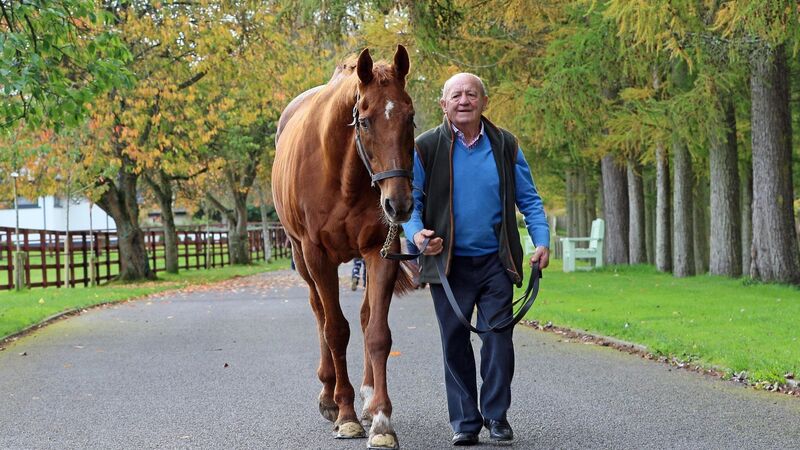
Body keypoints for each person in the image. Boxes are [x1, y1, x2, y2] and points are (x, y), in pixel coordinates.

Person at [402, 73, 550, 446]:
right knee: (454, 340)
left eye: (471, 94)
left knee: (498, 339)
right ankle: (466, 423)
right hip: (448, 266)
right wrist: (418, 236)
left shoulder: (505, 145)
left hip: (496, 262)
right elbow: (410, 206)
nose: (463, 100)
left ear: (484, 101)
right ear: (443, 104)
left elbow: (529, 200)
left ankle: (497, 416)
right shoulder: (426, 146)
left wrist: (541, 241)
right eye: (456, 95)